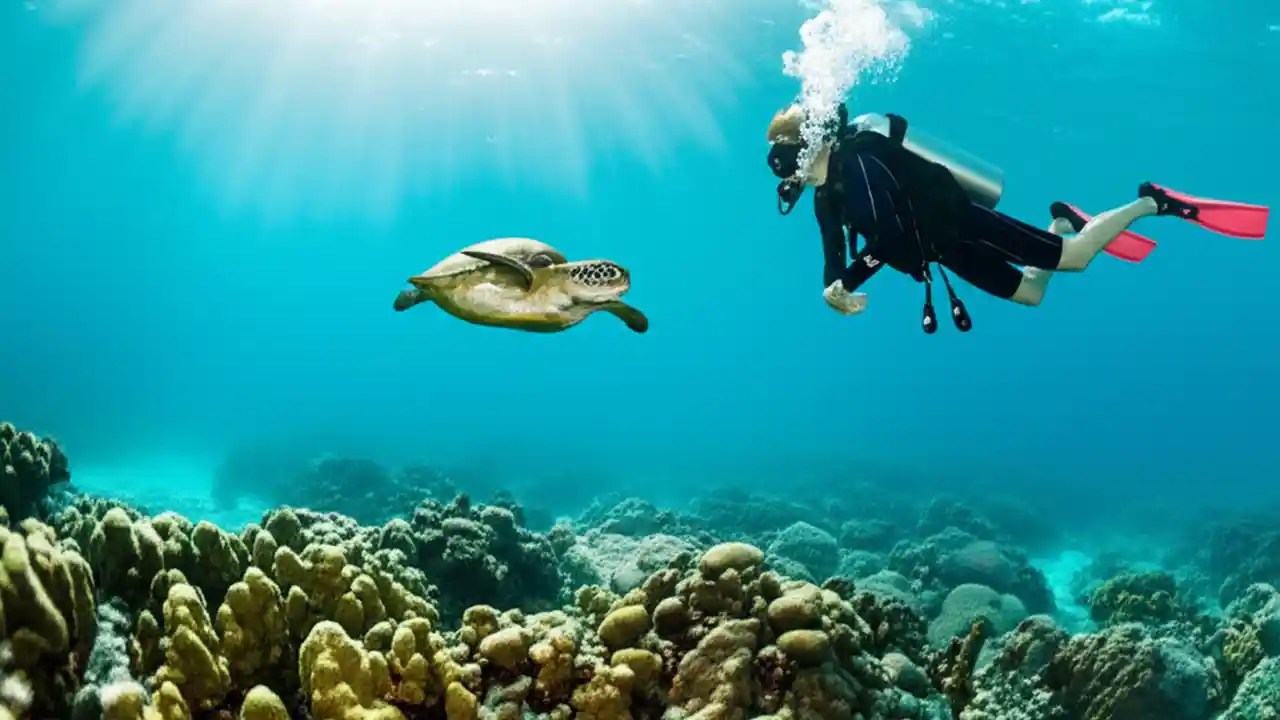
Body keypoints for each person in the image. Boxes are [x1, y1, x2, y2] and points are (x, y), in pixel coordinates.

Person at [765, 104, 1270, 332]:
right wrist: (833, 288)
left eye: (787, 158)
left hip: (962, 224)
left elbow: (891, 237)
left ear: (814, 142)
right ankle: (1063, 221)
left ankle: (1150, 202)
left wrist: (852, 278)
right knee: (1031, 294)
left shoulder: (861, 159)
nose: (785, 172)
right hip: (943, 251)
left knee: (1075, 262)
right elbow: (833, 252)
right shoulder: (824, 196)